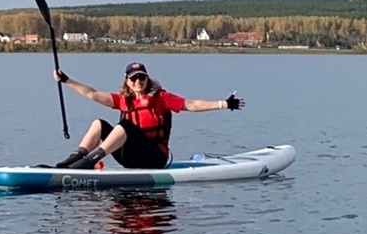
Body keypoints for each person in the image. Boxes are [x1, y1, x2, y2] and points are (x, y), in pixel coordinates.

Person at [54, 61, 242, 169]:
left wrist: (223, 104)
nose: (138, 81)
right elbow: (91, 93)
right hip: (131, 157)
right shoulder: (123, 100)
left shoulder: (161, 98)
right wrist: (66, 80)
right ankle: (73, 161)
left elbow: (191, 104)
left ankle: (88, 163)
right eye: (133, 78)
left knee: (126, 126)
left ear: (147, 79)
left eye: (141, 77)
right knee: (99, 124)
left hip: (155, 158)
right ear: (127, 81)